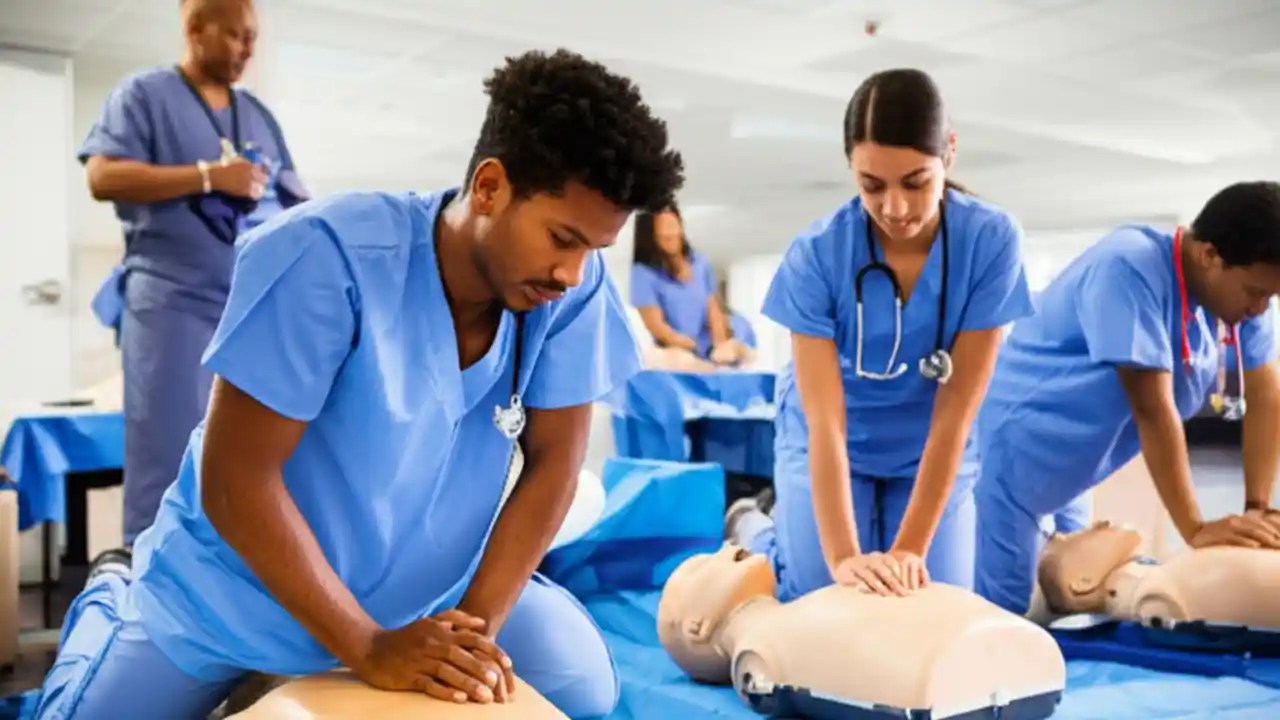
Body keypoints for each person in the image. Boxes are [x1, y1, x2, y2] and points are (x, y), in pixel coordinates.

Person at [35, 48, 684, 720]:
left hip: (430, 589)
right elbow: (235, 478)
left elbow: (555, 465)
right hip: (236, 592)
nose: (573, 273)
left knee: (586, 687)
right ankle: (114, 586)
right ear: (490, 188)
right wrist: (367, 646)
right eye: (562, 238)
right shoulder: (325, 256)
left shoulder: (569, 292)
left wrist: (470, 634)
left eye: (594, 250)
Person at [726, 68, 1033, 601]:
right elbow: (826, 423)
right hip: (832, 437)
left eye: (916, 182)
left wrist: (910, 550)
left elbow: (956, 413)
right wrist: (844, 559)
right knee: (822, 597)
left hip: (928, 439)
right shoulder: (818, 254)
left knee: (929, 605)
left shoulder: (991, 241)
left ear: (949, 153)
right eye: (871, 186)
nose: (895, 208)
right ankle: (752, 525)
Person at [974, 181, 1280, 616]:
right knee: (1005, 615)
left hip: (1077, 466)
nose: (1262, 308)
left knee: (1077, 600)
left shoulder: (1236, 296)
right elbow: (1152, 408)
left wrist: (1258, 510)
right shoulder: (1128, 267)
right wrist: (1195, 529)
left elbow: (1267, 394)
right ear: (1209, 255)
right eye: (1256, 293)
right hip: (1015, 453)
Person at [79, 0, 307, 546]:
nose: (247, 49)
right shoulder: (144, 96)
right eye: (235, 35)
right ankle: (150, 578)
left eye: (252, 38)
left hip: (244, 309)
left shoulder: (257, 115)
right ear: (195, 27)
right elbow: (103, 177)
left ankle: (226, 581)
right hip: (171, 304)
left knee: (247, 459)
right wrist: (208, 176)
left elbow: (297, 201)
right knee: (167, 453)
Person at [630, 204, 747, 366]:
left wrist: (719, 347)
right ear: (650, 235)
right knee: (682, 362)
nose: (669, 233)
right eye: (662, 229)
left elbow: (713, 310)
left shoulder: (700, 262)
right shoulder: (643, 273)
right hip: (675, 349)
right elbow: (657, 327)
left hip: (708, 345)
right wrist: (690, 348)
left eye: (672, 225)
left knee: (738, 348)